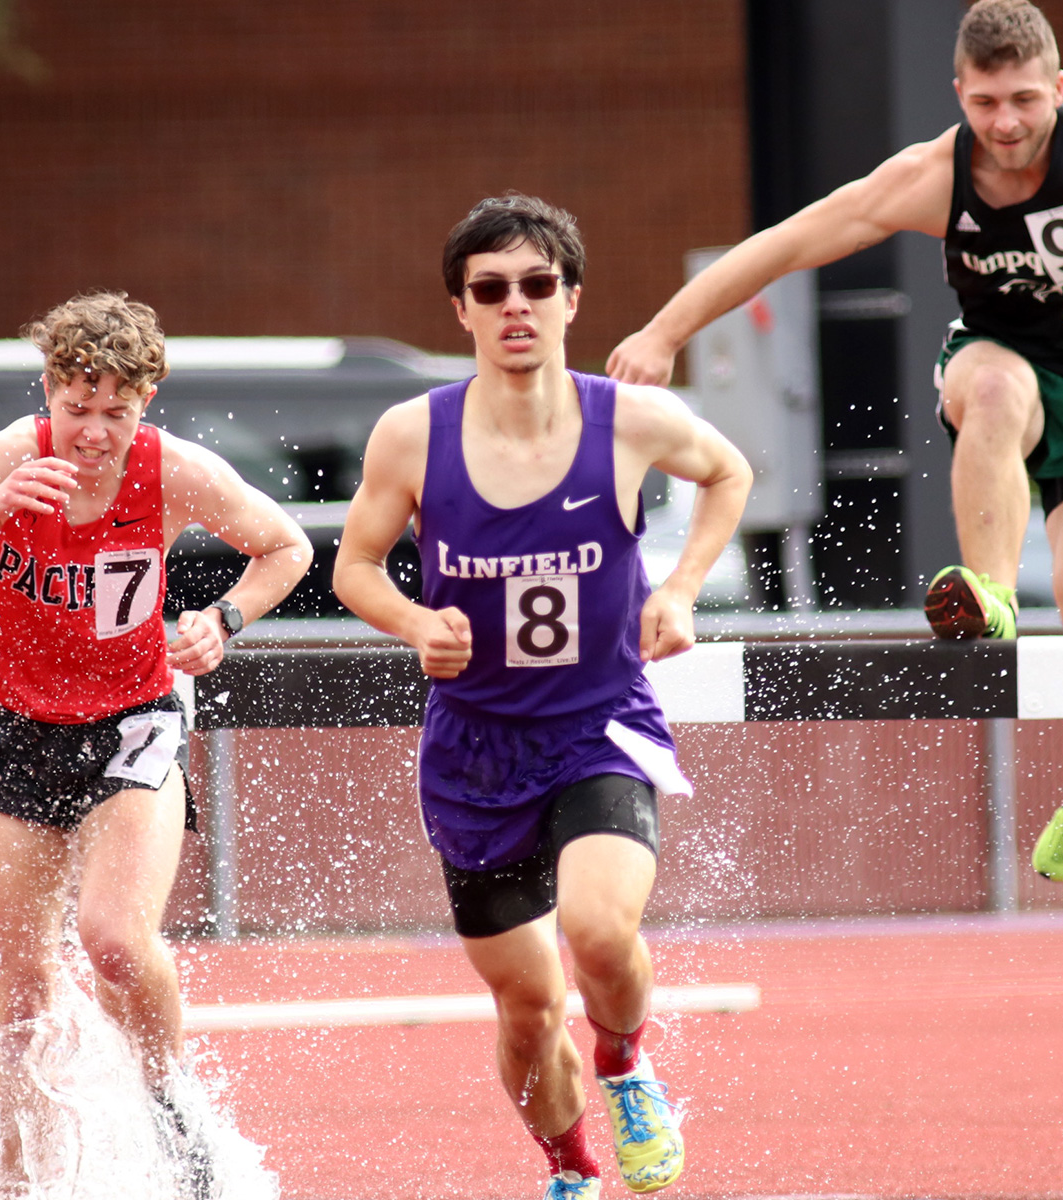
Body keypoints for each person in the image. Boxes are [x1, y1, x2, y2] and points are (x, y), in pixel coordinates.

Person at [606, 0, 1063, 883]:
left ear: (1058, 88)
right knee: (996, 382)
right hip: (998, 368)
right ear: (959, 94)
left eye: (1024, 101)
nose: (1006, 124)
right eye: (986, 103)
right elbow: (786, 244)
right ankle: (991, 591)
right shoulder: (933, 176)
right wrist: (664, 333)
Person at [334, 195, 751, 1200]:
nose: (514, 305)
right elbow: (354, 566)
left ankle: (625, 1064)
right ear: (461, 309)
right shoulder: (412, 434)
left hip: (599, 727)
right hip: (474, 754)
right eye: (491, 290)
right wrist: (415, 622)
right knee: (526, 1012)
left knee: (600, 932)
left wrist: (681, 587)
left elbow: (729, 471)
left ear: (572, 299)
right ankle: (569, 1168)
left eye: (535, 285)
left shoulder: (629, 419)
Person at [0, 291, 311, 1193]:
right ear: (48, 392)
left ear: (146, 401)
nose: (94, 433)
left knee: (113, 939)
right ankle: (15, 1184)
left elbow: (286, 547)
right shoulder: (8, 454)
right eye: (78, 408)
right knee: (16, 1003)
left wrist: (225, 618)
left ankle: (168, 1094)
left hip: (131, 726)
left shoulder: (176, 472)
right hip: (11, 728)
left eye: (117, 412)